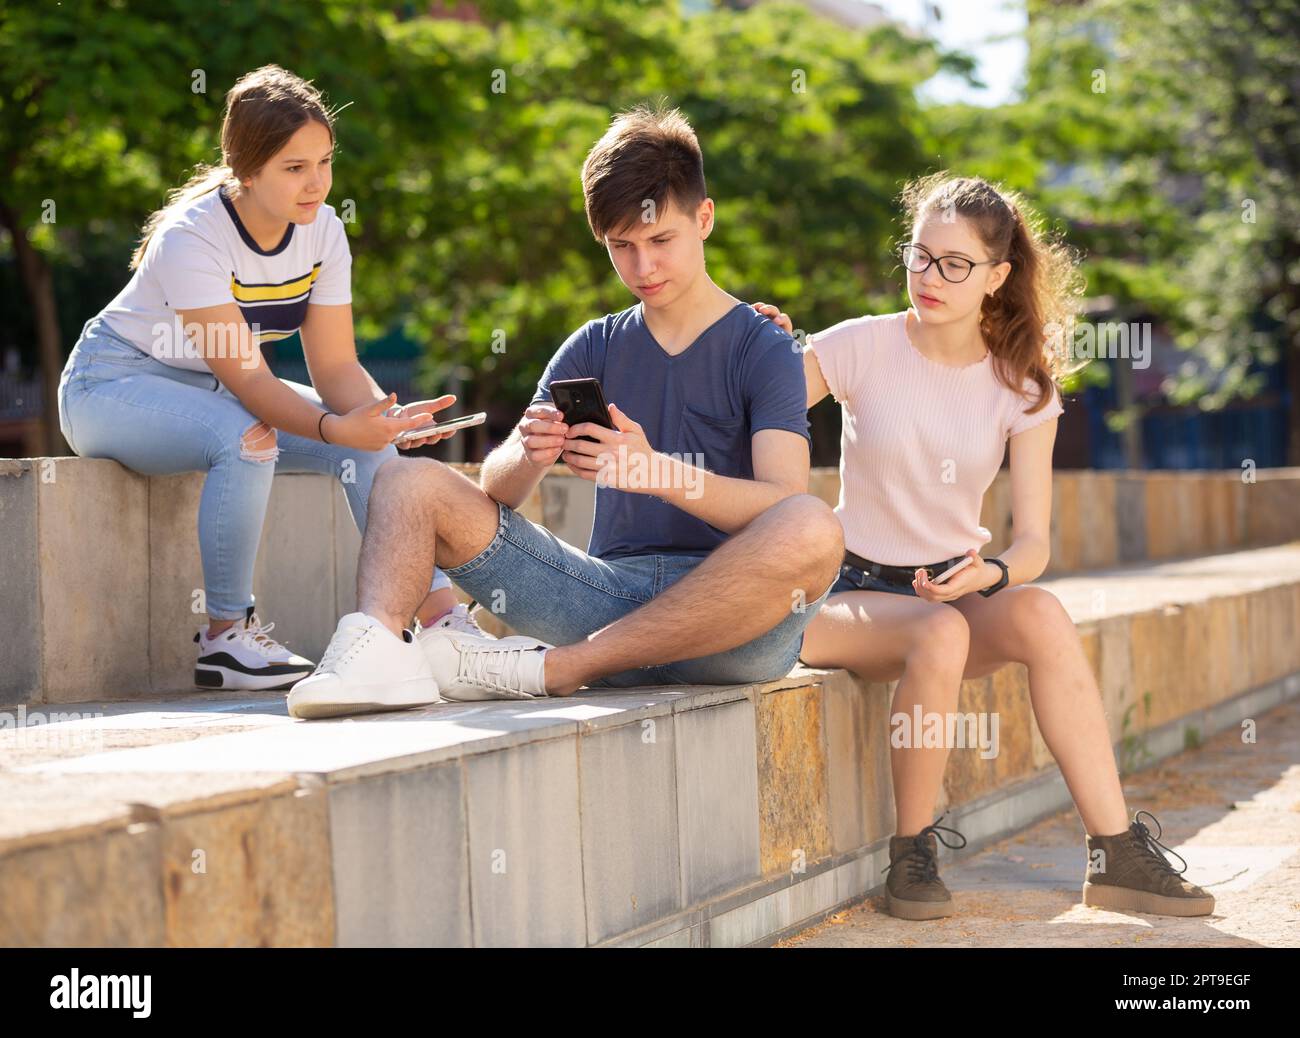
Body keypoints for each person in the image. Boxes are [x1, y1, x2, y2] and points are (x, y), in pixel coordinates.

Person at [751, 172, 1214, 920]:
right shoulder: (856, 347)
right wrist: (755, 344)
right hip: (848, 598)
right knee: (934, 631)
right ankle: (911, 854)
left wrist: (989, 571)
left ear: (997, 276)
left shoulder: (1023, 385)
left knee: (1042, 615)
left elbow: (1033, 544)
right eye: (920, 256)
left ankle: (1117, 849)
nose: (929, 278)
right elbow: (749, 408)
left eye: (955, 264)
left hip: (955, 591)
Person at [287, 104, 843, 718]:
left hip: (734, 626)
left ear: (704, 218)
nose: (643, 267)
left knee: (814, 526)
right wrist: (527, 451)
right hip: (602, 601)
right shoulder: (594, 344)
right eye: (621, 246)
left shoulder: (763, 347)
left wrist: (656, 472)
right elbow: (498, 491)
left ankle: (560, 670)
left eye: (661, 240)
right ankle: (380, 655)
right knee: (405, 480)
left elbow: (784, 501)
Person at [56, 65, 475, 692]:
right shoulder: (191, 239)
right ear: (247, 169)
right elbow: (252, 384)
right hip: (110, 387)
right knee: (249, 434)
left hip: (211, 394)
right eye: (294, 167)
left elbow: (333, 368)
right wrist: (338, 427)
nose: (316, 184)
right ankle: (225, 639)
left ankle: (441, 623)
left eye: (325, 162)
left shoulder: (325, 232)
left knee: (372, 448)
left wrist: (382, 423)